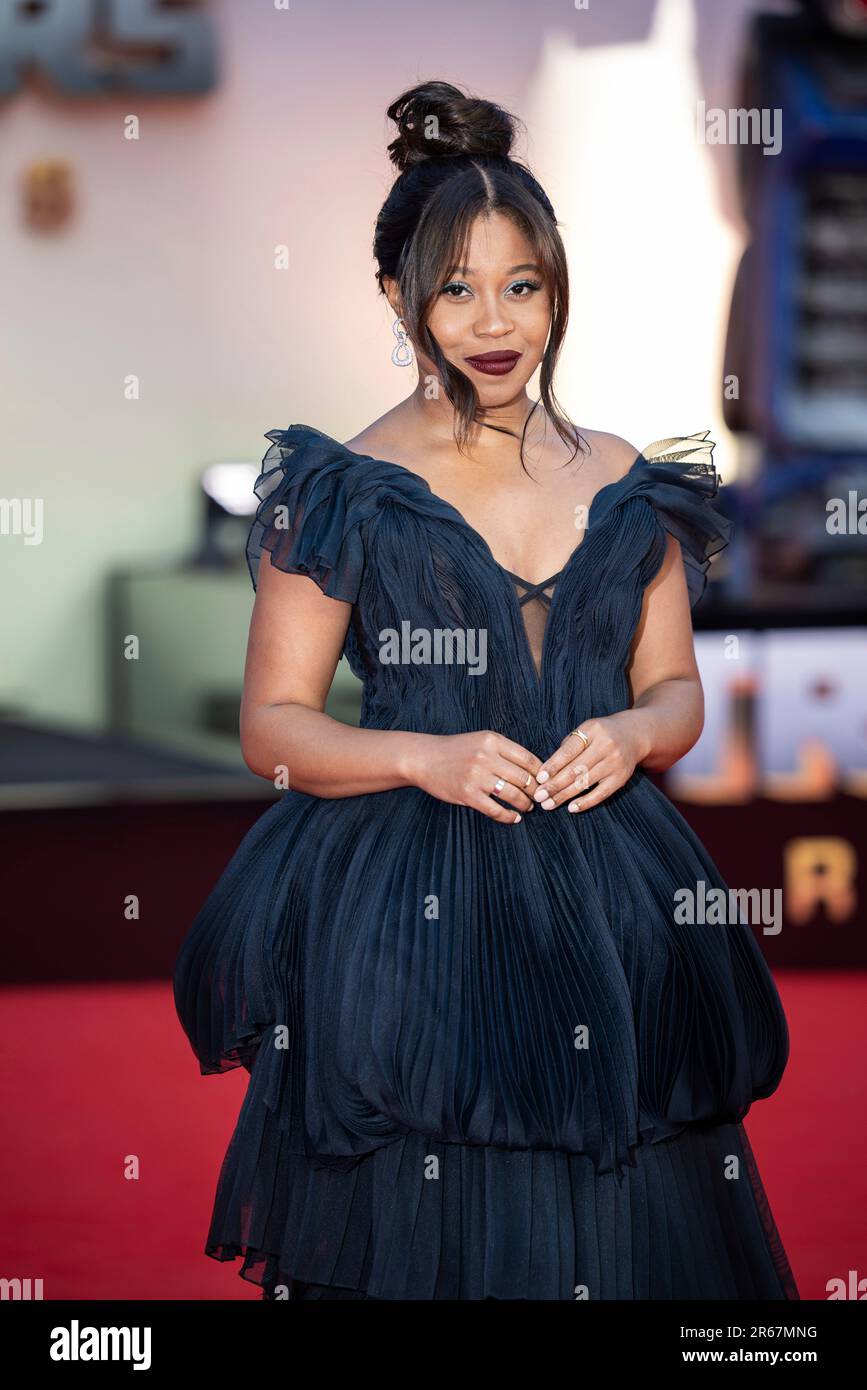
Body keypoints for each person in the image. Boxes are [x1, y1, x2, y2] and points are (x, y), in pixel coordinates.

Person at [173, 80, 798, 1301]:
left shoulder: (628, 478)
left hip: (615, 897)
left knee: (634, 1214)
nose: (492, 320)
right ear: (396, 298)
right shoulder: (344, 486)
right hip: (417, 904)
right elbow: (273, 727)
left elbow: (677, 691)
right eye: (455, 287)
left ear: (558, 289)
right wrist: (424, 755)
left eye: (522, 285)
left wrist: (633, 727)